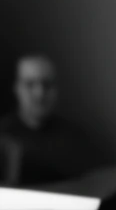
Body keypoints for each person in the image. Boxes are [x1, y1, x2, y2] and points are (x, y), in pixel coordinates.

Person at [0, 54, 102, 188]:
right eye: (30, 84)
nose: (40, 93)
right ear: (16, 88)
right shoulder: (3, 135)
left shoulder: (75, 138)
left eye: (47, 84)